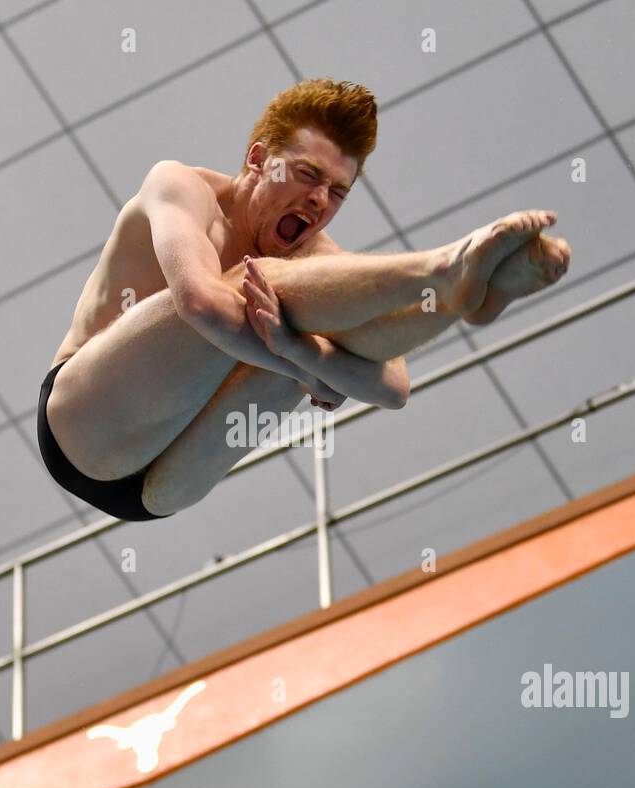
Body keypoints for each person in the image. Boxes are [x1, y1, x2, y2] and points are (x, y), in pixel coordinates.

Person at [38, 78, 570, 521]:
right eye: (307, 175)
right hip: (82, 427)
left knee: (302, 331)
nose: (318, 200)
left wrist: (302, 356)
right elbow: (199, 304)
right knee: (261, 285)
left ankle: (460, 299)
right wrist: (310, 365)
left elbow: (395, 387)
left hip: (160, 493)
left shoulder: (314, 256)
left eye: (337, 192)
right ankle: (444, 269)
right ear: (257, 160)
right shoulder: (180, 187)